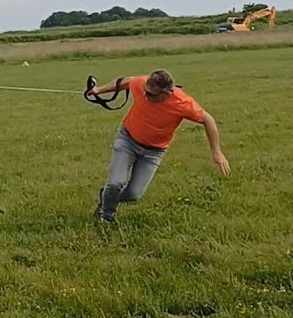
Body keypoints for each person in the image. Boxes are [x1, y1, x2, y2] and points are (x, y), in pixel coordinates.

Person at [86, 69, 230, 222]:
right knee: (116, 183)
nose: (145, 96)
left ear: (166, 94)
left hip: (153, 152)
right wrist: (98, 90)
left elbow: (208, 120)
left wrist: (217, 152)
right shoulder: (142, 84)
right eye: (145, 91)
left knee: (134, 195)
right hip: (127, 140)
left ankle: (107, 196)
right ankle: (106, 218)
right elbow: (126, 81)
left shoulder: (183, 103)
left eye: (150, 95)